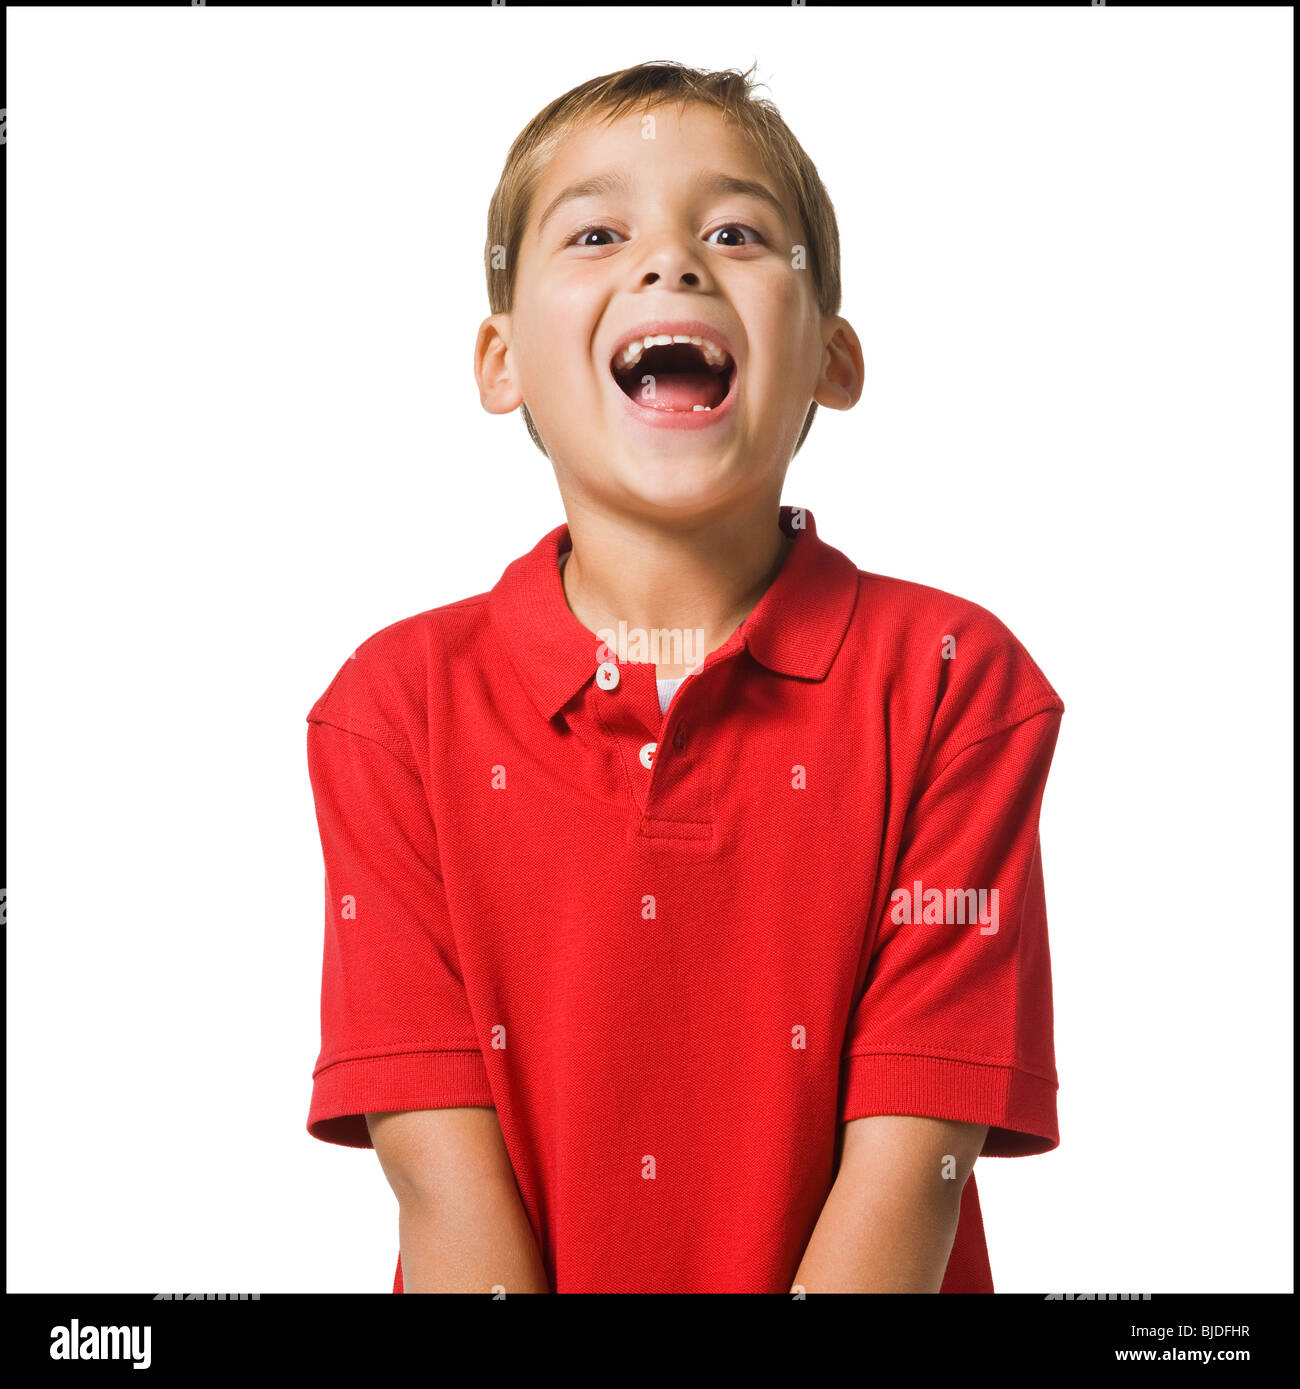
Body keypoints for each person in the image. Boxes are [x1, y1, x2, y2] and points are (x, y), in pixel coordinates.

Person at [304, 60, 1065, 1294]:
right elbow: (440, 1183)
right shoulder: (392, 710)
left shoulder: (953, 683)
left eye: (735, 232)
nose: (671, 264)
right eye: (598, 233)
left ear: (831, 356)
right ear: (501, 363)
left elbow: (912, 1162)